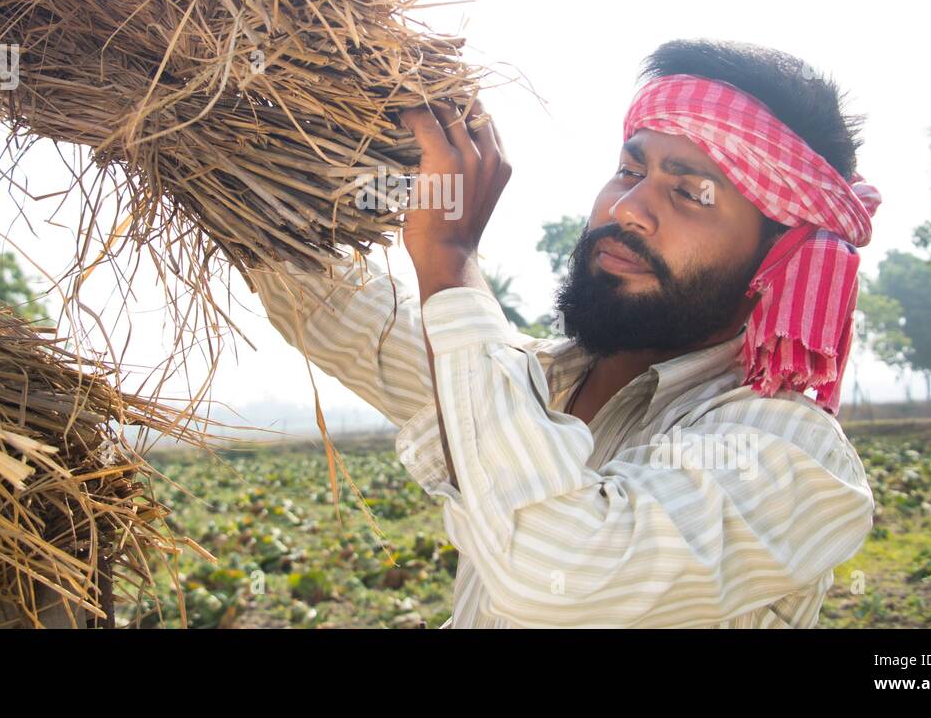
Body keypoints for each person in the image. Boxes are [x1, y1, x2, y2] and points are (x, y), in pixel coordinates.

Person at [244, 39, 878, 628]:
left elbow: (559, 569)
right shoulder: (532, 380)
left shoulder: (793, 457)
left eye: (689, 192)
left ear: (779, 257)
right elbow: (337, 311)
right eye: (630, 172)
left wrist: (449, 257)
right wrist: (231, 148)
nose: (626, 209)